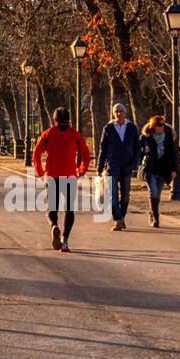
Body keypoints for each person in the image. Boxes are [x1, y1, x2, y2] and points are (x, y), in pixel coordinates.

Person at [32, 107, 92, 253]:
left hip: (52, 175)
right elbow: (86, 154)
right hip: (70, 175)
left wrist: (40, 172)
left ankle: (54, 226)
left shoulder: (48, 134)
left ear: (55, 119)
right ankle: (65, 241)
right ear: (69, 119)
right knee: (69, 209)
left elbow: (36, 154)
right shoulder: (75, 135)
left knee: (52, 208)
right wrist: (81, 170)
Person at [98, 103, 141, 231]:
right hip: (112, 166)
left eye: (121, 111)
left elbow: (137, 147)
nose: (118, 113)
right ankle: (117, 220)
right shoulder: (108, 128)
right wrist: (99, 168)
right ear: (113, 113)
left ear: (125, 113)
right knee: (113, 195)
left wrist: (135, 163)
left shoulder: (132, 128)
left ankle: (122, 217)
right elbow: (103, 149)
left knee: (126, 195)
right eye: (116, 111)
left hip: (127, 166)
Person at [140, 115, 178, 227]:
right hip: (150, 169)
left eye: (163, 124)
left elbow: (173, 155)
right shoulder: (146, 137)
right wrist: (143, 150)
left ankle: (152, 213)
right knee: (153, 192)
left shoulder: (168, 137)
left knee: (158, 195)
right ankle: (156, 219)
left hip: (163, 170)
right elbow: (137, 151)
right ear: (154, 126)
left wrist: (174, 170)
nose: (162, 127)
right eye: (159, 125)